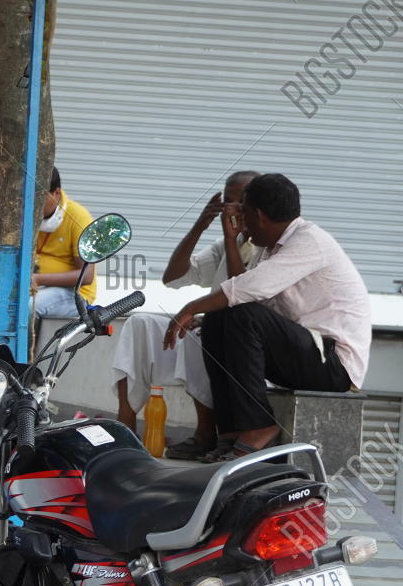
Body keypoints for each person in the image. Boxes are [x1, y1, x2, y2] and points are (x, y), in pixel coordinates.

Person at [164, 173, 370, 461]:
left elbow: (250, 290)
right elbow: (241, 292)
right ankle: (231, 431)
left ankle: (259, 425)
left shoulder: (309, 240)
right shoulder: (268, 247)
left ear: (258, 215)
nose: (242, 224)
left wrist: (190, 307)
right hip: (304, 353)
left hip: (334, 364)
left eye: (244, 214)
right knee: (217, 320)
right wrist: (205, 309)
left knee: (239, 313)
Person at [111, 170, 261, 459]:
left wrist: (203, 316)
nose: (231, 209)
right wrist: (200, 225)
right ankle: (125, 427)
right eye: (227, 202)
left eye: (239, 202)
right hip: (214, 324)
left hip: (243, 337)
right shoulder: (228, 241)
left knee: (198, 333)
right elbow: (174, 276)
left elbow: (241, 293)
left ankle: (205, 433)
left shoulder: (266, 243)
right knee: (139, 323)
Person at [31, 166, 96, 317]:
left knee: (30, 306)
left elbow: (87, 276)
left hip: (73, 295)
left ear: (56, 193)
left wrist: (38, 279)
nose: (34, 204)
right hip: (33, 286)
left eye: (40, 198)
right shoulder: (25, 212)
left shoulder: (78, 216)